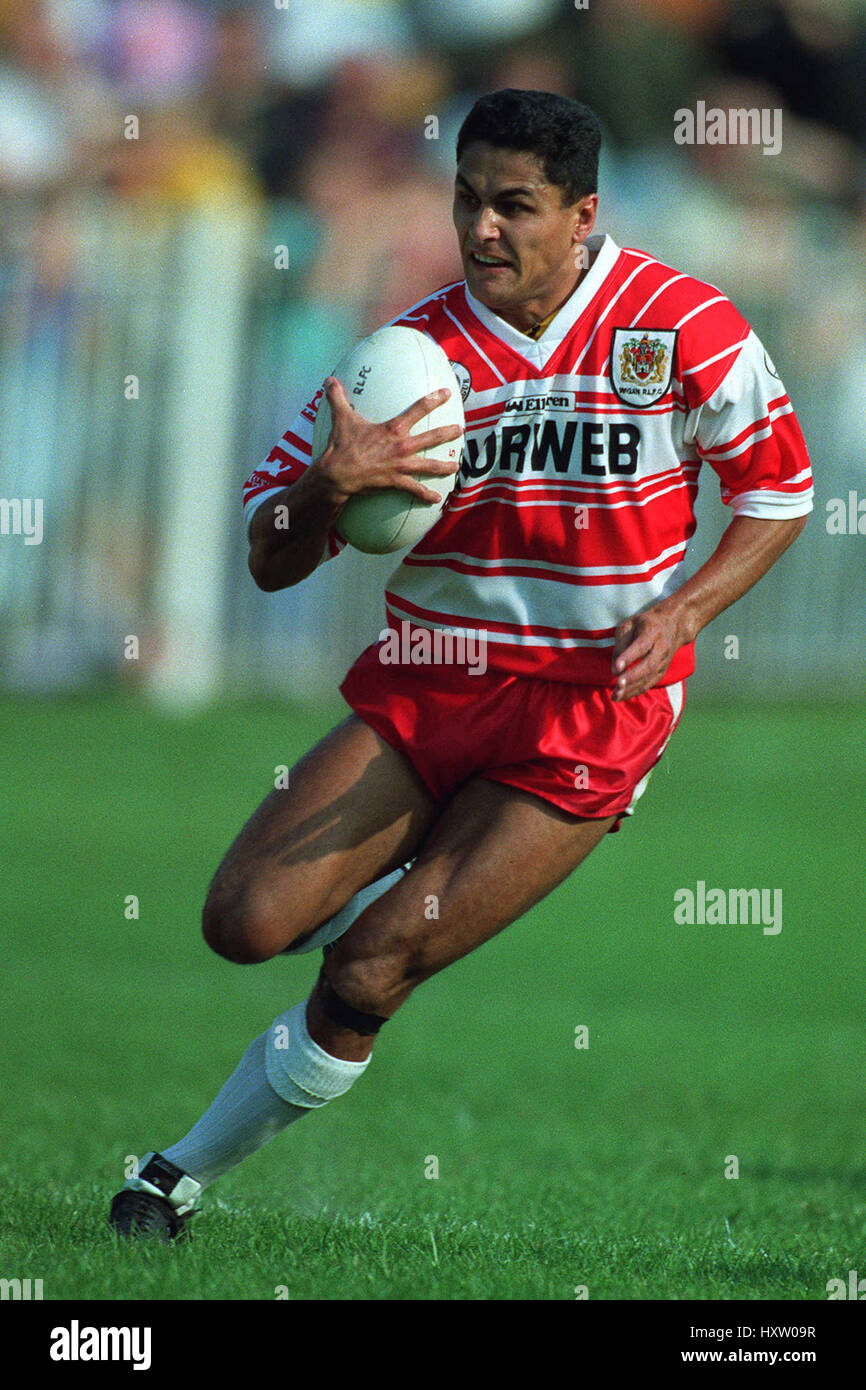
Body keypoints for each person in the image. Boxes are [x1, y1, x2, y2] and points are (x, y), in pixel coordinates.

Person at [109, 89, 812, 1240]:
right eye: (467, 199)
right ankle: (416, 874)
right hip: (431, 684)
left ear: (583, 213)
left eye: (515, 207)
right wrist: (323, 490)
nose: (483, 229)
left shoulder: (679, 324)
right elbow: (270, 559)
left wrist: (684, 608)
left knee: (370, 968)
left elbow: (778, 490)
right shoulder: (409, 353)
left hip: (592, 710)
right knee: (241, 922)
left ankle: (172, 1178)